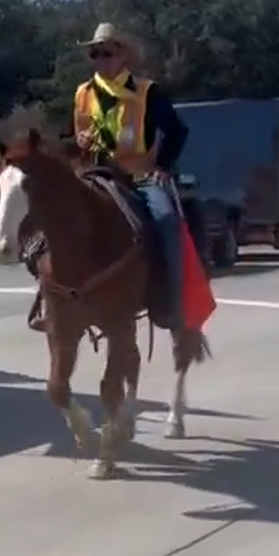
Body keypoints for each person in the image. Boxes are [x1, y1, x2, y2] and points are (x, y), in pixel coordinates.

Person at [31, 22, 192, 330]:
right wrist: (73, 143)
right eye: (95, 54)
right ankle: (47, 299)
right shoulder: (83, 93)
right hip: (93, 172)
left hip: (138, 176)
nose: (101, 59)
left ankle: (170, 297)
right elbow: (72, 134)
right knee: (49, 221)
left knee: (166, 219)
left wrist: (162, 166)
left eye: (107, 53)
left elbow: (178, 131)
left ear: (123, 57)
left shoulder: (147, 92)